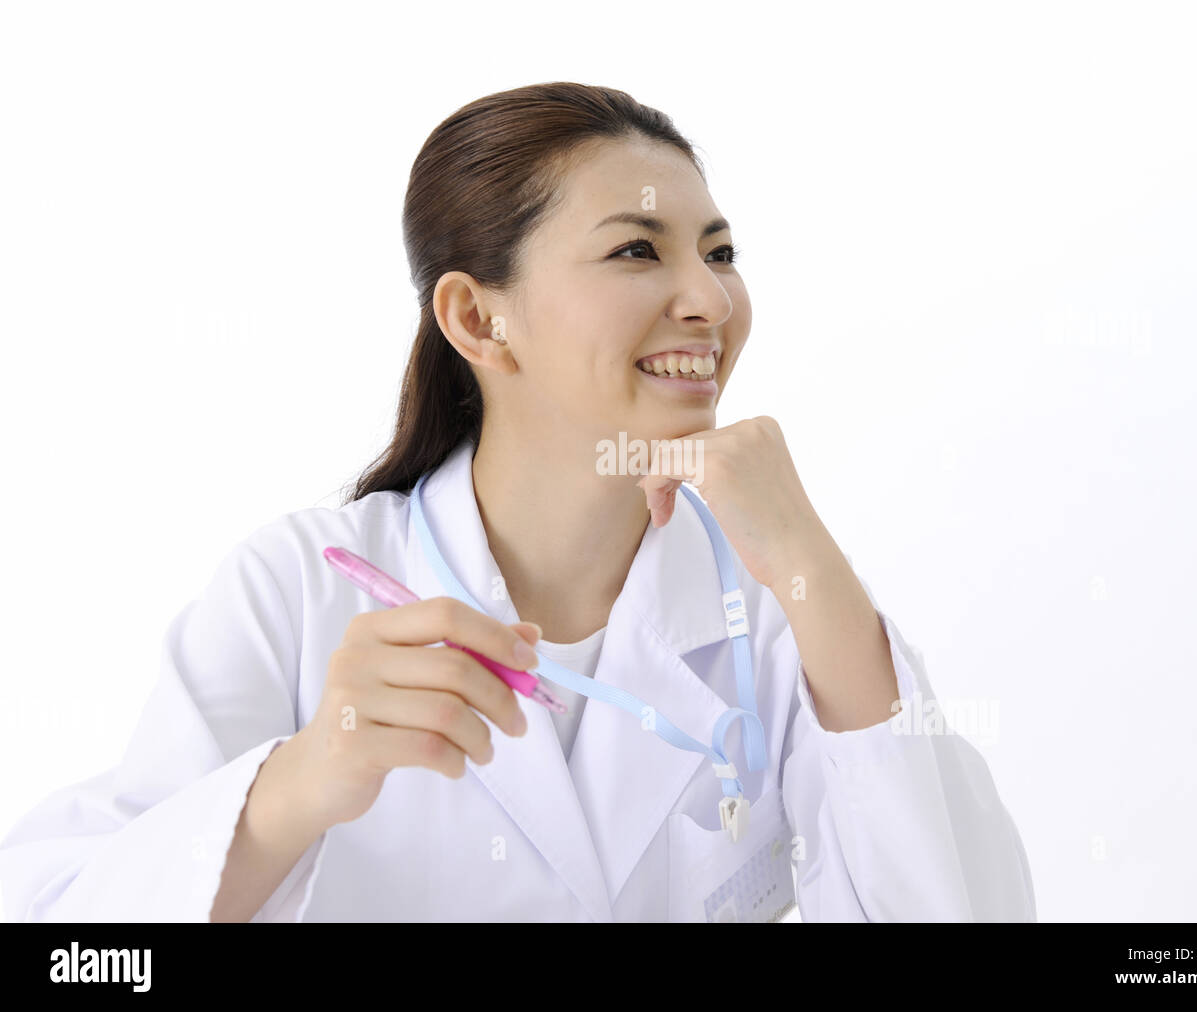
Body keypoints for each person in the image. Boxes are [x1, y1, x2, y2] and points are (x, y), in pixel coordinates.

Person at [0, 82, 1035, 922]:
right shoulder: (298, 595)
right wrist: (301, 781)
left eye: (719, 252)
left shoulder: (773, 613)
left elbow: (963, 907)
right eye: (639, 249)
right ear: (477, 319)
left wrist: (810, 562)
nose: (711, 301)